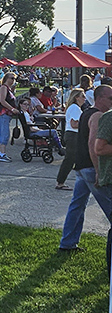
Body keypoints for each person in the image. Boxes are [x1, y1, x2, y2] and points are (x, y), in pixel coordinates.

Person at [59, 84, 112, 251]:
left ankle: (67, 242)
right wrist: (98, 171)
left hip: (81, 167)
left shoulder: (86, 113)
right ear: (99, 98)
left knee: (77, 205)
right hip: (91, 168)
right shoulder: (98, 116)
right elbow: (93, 144)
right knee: (109, 207)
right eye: (110, 98)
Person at [56, 88, 87, 190]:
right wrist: (86, 124)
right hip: (73, 135)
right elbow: (74, 124)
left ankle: (82, 180)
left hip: (73, 135)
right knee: (70, 159)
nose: (85, 98)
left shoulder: (75, 108)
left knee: (77, 158)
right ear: (76, 97)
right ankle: (60, 182)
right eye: (83, 96)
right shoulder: (75, 108)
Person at [0, 73, 19, 163]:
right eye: (11, 78)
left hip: (7, 114)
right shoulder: (3, 88)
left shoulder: (9, 89)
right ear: (6, 78)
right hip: (2, 113)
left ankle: (2, 152)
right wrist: (12, 109)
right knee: (4, 134)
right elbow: (2, 100)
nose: (13, 80)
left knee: (5, 133)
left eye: (14, 79)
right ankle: (1, 153)